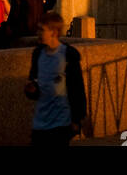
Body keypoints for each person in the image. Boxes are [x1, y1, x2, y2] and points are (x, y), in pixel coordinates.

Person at [24, 11, 88, 146]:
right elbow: (35, 86)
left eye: (42, 30)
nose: (38, 33)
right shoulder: (38, 54)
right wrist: (31, 90)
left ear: (53, 32)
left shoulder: (68, 55)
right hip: (40, 122)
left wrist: (77, 119)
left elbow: (77, 88)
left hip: (61, 122)